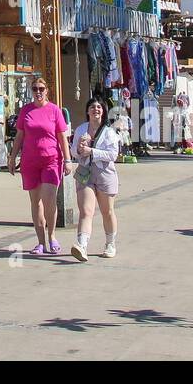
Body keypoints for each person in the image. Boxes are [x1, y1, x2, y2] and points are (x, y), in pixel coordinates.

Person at [8, 79, 71, 255]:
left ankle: (52, 236)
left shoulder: (54, 110)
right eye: (35, 88)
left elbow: (62, 137)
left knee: (49, 199)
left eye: (41, 88)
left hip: (51, 160)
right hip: (30, 162)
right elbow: (19, 136)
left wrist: (67, 160)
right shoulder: (26, 111)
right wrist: (13, 158)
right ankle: (40, 242)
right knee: (35, 202)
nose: (38, 91)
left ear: (47, 91)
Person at [69, 98, 121, 262]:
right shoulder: (81, 129)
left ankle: (110, 243)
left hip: (105, 173)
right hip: (85, 172)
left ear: (103, 111)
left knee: (107, 211)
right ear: (87, 111)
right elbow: (74, 151)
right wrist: (78, 149)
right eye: (92, 107)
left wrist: (91, 151)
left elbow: (113, 155)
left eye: (99, 107)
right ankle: (82, 245)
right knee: (86, 211)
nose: (95, 109)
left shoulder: (109, 132)